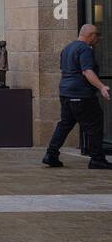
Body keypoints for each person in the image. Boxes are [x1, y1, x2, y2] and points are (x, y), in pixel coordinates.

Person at [42, 24, 111, 170]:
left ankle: (51, 154)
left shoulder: (67, 48)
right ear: (91, 35)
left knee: (65, 124)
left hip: (66, 93)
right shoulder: (85, 49)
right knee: (94, 125)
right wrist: (102, 87)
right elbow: (87, 71)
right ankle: (97, 159)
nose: (98, 39)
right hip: (81, 94)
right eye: (97, 36)